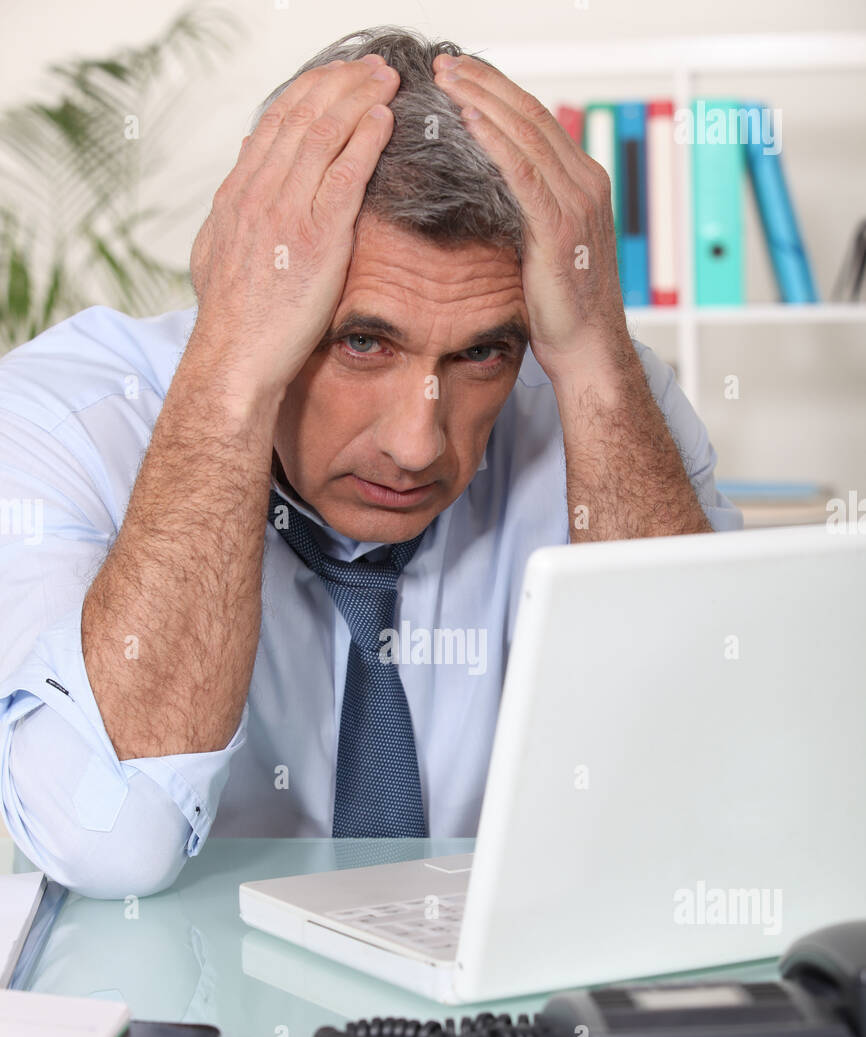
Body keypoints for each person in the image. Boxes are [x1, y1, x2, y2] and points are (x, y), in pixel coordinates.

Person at [0, 27, 740, 899]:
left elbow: (710, 791)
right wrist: (232, 372)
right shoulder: (64, 419)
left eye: (481, 355)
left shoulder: (600, 392)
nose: (418, 445)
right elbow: (109, 845)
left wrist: (594, 358)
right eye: (361, 341)